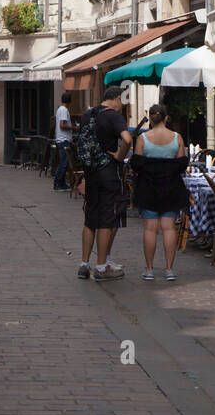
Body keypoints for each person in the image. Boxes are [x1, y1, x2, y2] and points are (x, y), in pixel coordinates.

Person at [77, 84, 132, 281]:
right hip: (109, 173)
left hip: (91, 172)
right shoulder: (113, 116)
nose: (122, 106)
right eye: (122, 102)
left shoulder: (87, 115)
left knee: (90, 219)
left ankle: (84, 265)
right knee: (107, 220)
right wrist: (120, 155)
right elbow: (127, 139)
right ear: (116, 98)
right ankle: (101, 268)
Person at [130, 103, 189, 282]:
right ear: (166, 118)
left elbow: (136, 164)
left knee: (150, 229)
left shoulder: (142, 138)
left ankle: (149, 269)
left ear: (151, 118)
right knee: (169, 228)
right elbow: (182, 164)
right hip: (171, 188)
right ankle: (169, 269)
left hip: (148, 188)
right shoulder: (177, 138)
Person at [53, 90, 73, 191]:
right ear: (69, 101)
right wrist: (74, 128)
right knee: (63, 162)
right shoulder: (64, 110)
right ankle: (58, 184)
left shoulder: (59, 109)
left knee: (63, 162)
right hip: (64, 139)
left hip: (61, 139)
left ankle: (62, 183)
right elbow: (62, 125)